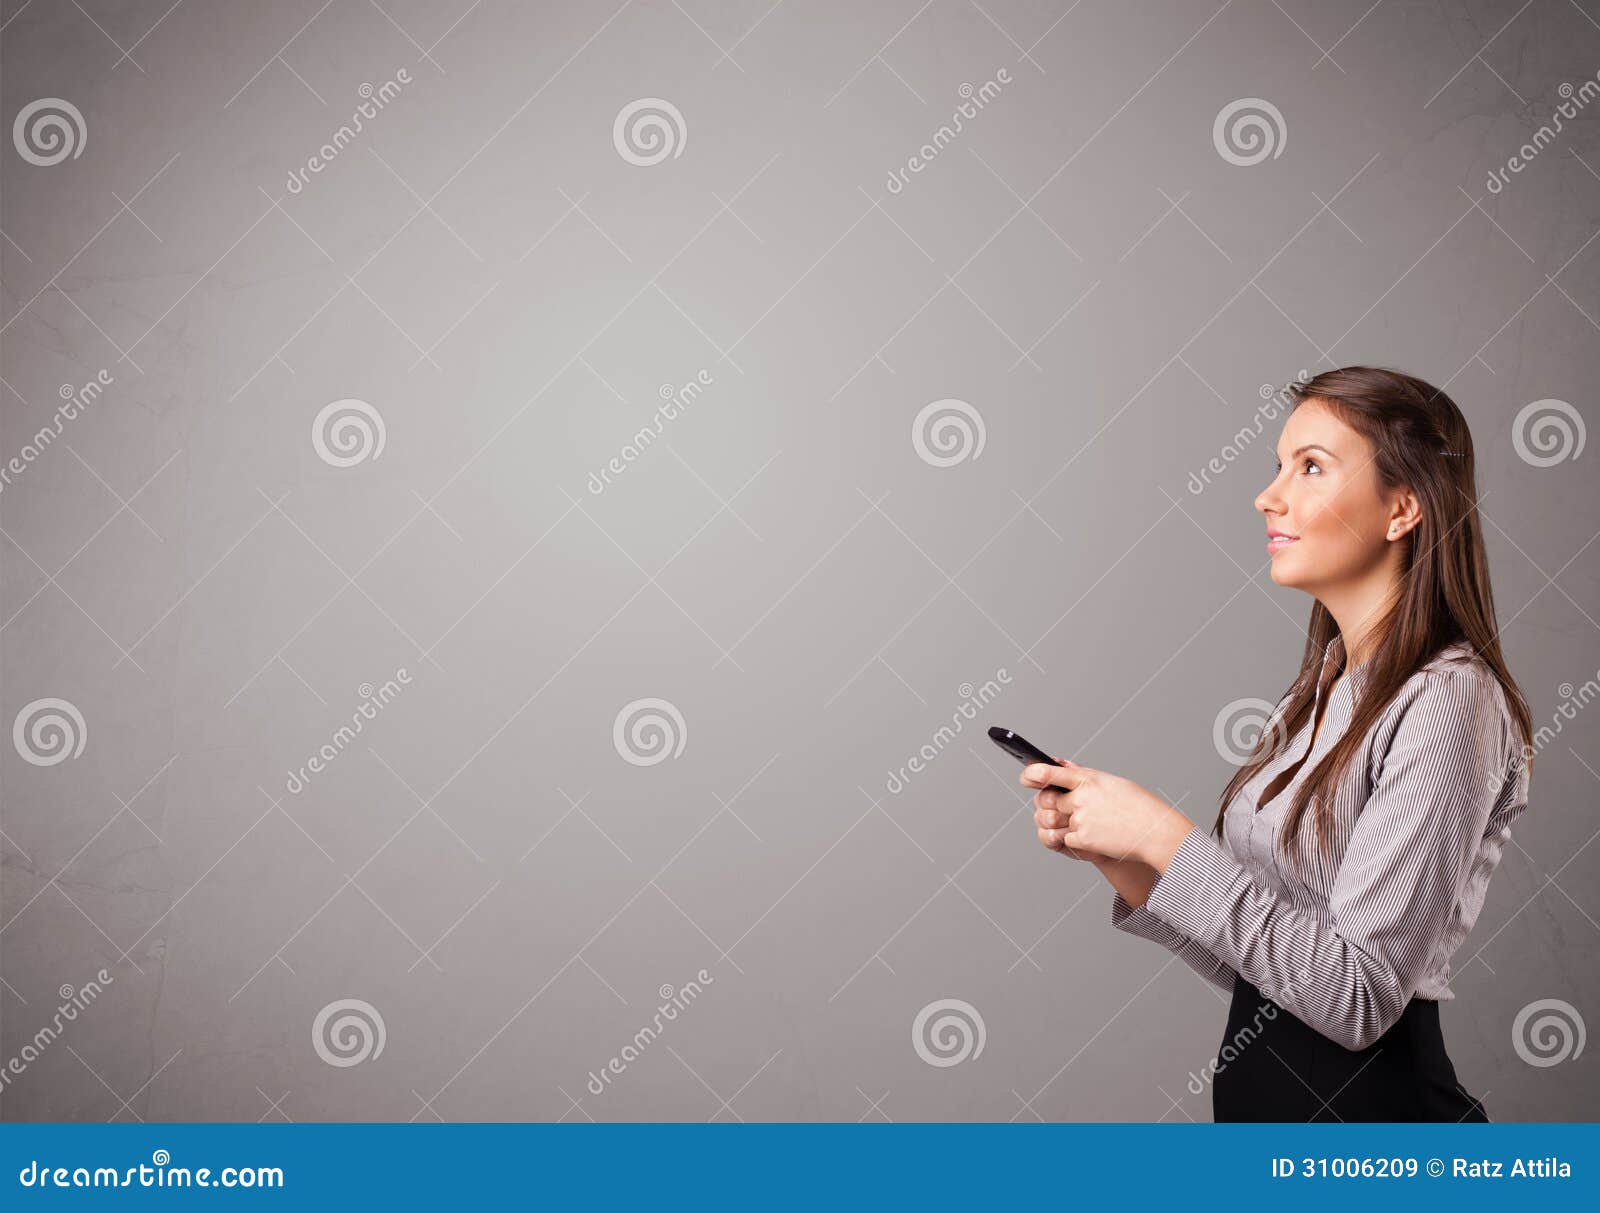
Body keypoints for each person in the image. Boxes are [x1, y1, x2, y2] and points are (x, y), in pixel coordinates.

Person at [1023, 366, 1533, 1122]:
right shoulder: (1321, 687)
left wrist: (1168, 838)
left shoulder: (1452, 699)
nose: (1269, 495)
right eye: (1278, 466)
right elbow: (1271, 972)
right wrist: (1127, 858)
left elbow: (1356, 997)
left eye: (1312, 467)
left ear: (1402, 508)